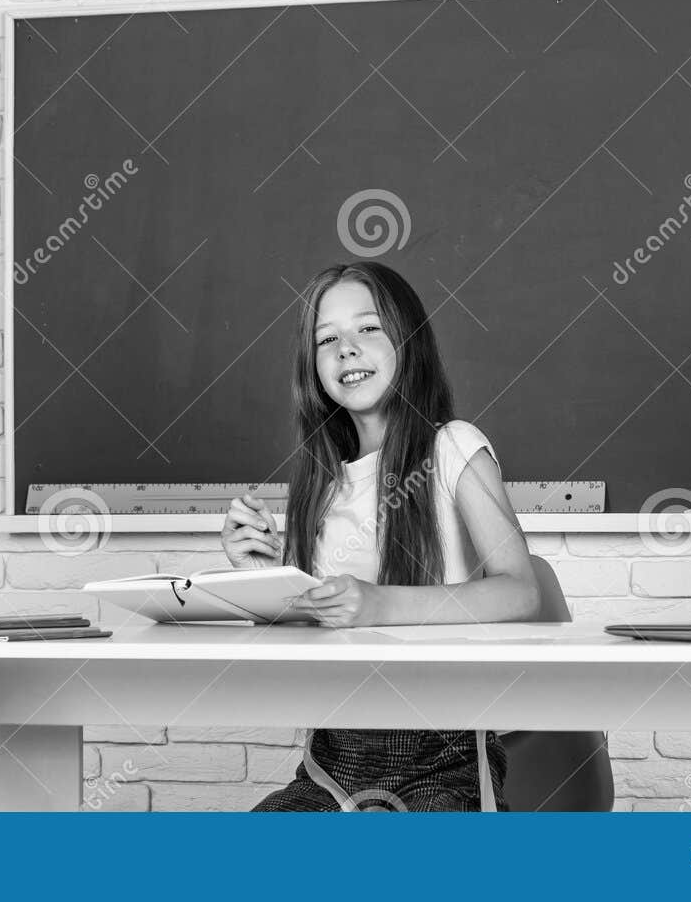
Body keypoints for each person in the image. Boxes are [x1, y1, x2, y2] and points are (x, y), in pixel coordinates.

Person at [220, 260, 540, 812]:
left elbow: (521, 592)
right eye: (327, 339)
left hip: (446, 762)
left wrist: (377, 603)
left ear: (408, 341)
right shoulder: (320, 484)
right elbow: (315, 631)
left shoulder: (453, 448)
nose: (346, 349)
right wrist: (259, 576)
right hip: (332, 765)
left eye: (368, 328)